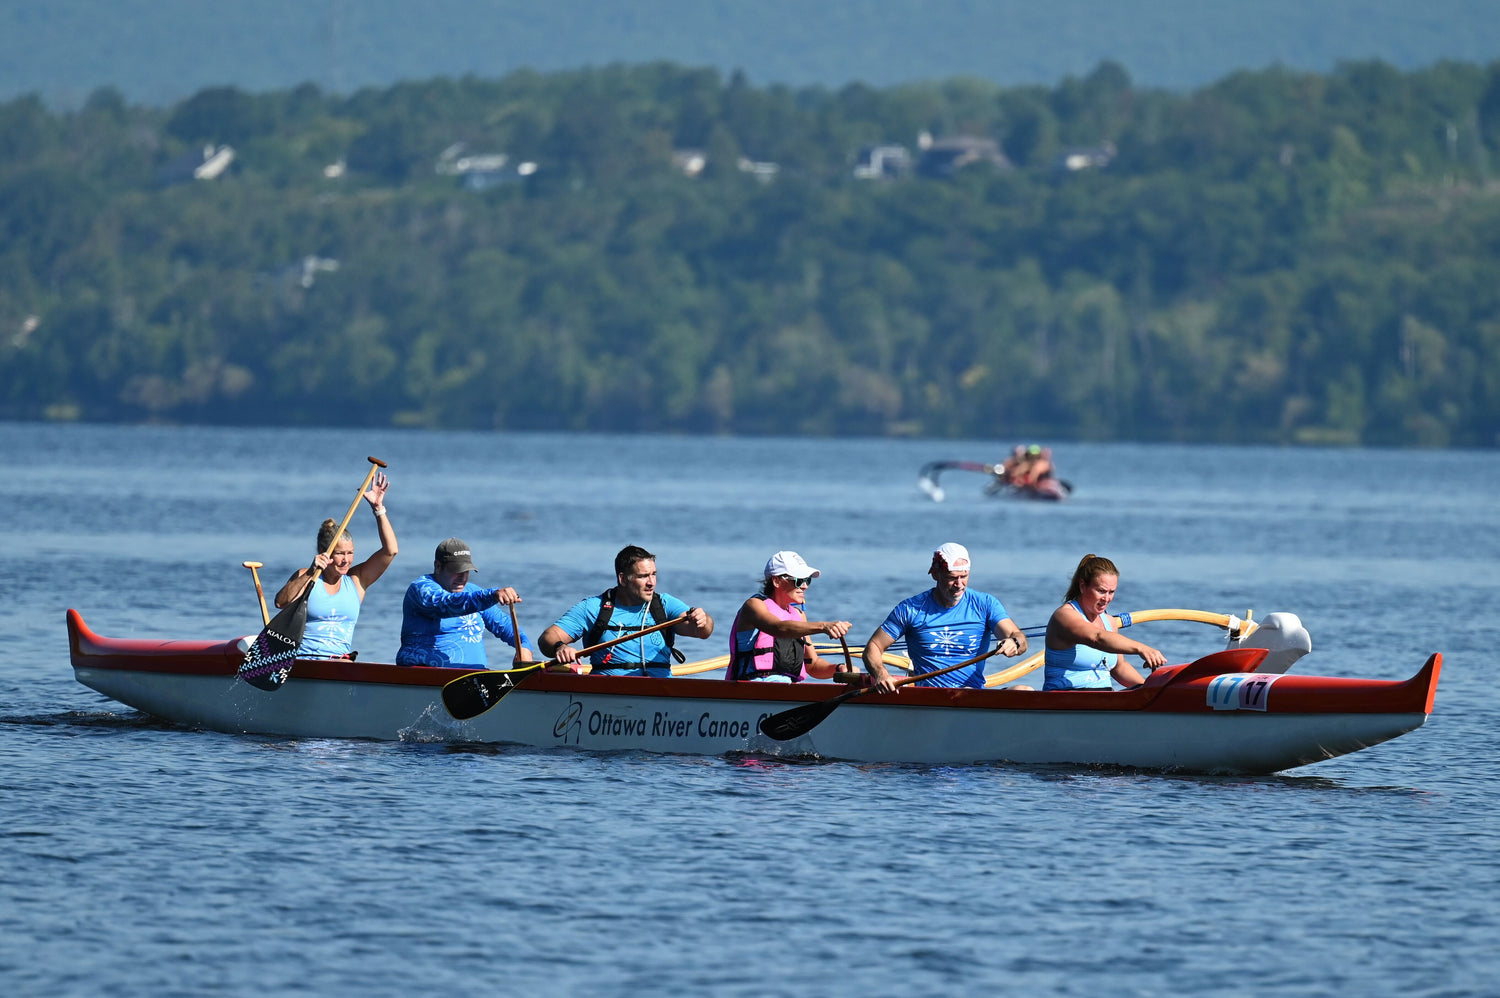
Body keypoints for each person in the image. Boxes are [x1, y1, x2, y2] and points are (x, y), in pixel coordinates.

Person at [862, 542, 1028, 693]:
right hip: (931, 698)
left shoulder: (985, 604)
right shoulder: (910, 609)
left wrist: (1014, 643)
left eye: (964, 577)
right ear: (935, 574)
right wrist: (881, 675)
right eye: (952, 578)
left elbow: (1018, 637)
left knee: (1024, 690)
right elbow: (873, 647)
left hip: (974, 694)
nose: (959, 584)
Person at [273, 470, 398, 659]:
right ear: (325, 553)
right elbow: (280, 602)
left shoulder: (356, 581)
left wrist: (379, 509)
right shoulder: (307, 576)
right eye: (339, 554)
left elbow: (391, 551)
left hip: (340, 663)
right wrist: (309, 573)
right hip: (304, 662)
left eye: (350, 553)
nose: (346, 560)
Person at [540, 545, 714, 676]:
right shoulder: (594, 608)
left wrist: (702, 619)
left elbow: (702, 632)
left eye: (653, 574)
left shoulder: (664, 604)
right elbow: (548, 638)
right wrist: (560, 647)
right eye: (643, 576)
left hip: (660, 695)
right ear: (623, 579)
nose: (651, 582)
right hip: (608, 696)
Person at [395, 538, 532, 668]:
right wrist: (492, 595)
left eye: (466, 571)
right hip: (423, 678)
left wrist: (524, 646)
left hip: (474, 679)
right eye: (456, 570)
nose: (462, 577)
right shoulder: (421, 590)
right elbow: (447, 605)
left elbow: (504, 625)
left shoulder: (473, 591)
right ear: (438, 566)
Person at [1043, 553, 1166, 690]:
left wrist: (1150, 690)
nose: (1106, 598)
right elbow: (1096, 638)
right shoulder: (1064, 616)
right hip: (1064, 698)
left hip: (1102, 697)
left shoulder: (1110, 622)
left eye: (1111, 592)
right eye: (1101, 591)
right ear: (1083, 586)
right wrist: (1141, 648)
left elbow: (1119, 667)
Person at [725, 551, 851, 682]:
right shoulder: (754, 606)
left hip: (785, 691)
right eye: (799, 581)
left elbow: (812, 665)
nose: (805, 586)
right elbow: (778, 628)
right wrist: (823, 626)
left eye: (807, 580)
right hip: (748, 689)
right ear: (777, 581)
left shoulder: (799, 615)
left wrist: (839, 668)